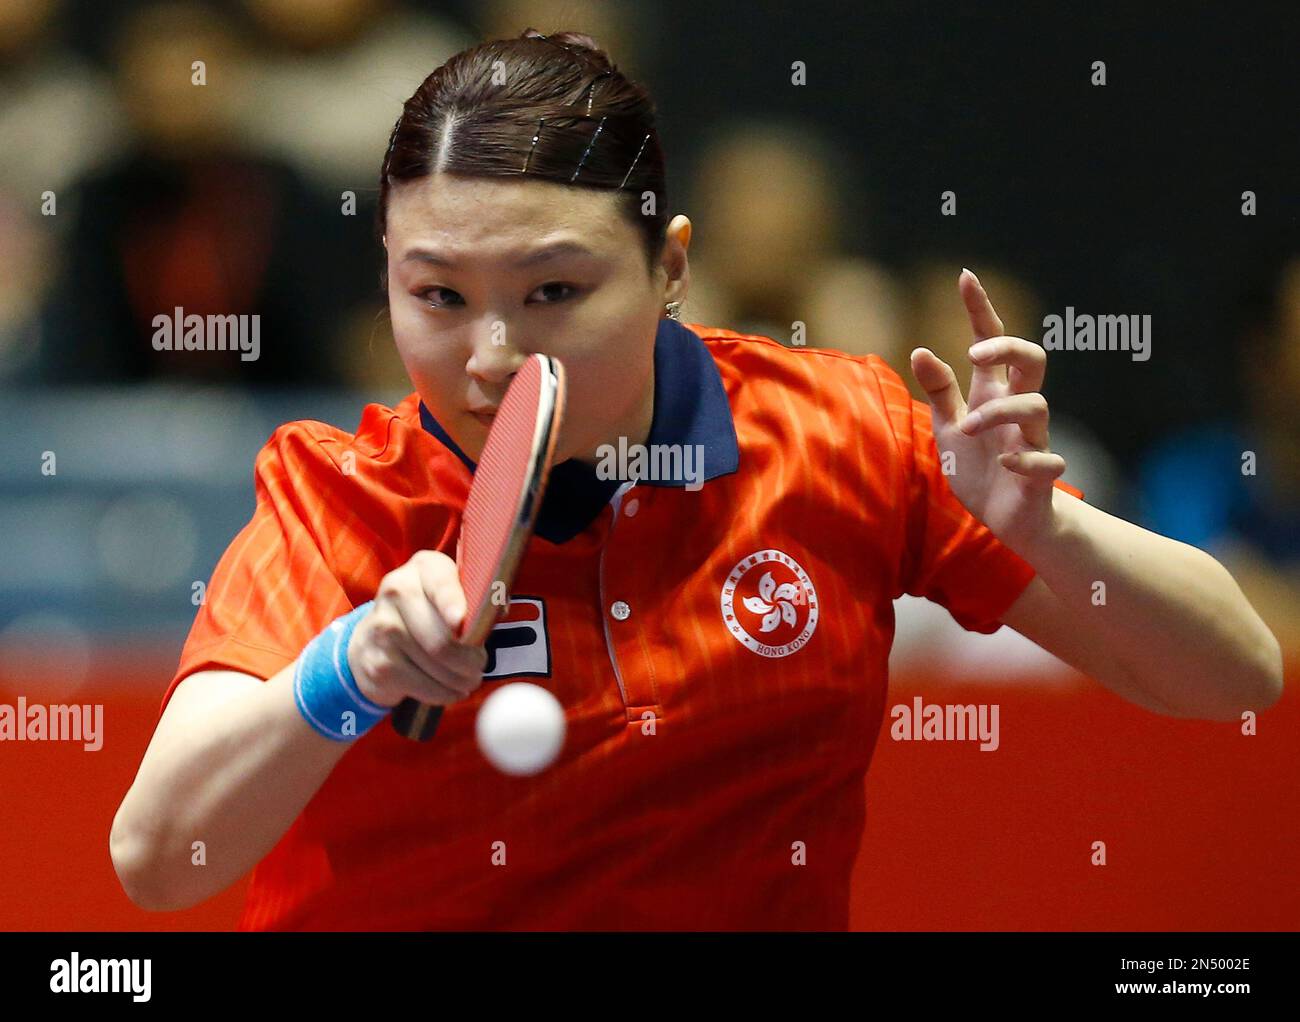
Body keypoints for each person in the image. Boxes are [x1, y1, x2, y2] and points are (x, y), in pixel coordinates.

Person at [110, 29, 1283, 931]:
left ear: (668, 265)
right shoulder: (341, 496)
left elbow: (1232, 675)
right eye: (438, 294)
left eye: (552, 291)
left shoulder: (841, 434)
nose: (491, 356)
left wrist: (1052, 536)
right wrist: (344, 671)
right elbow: (159, 861)